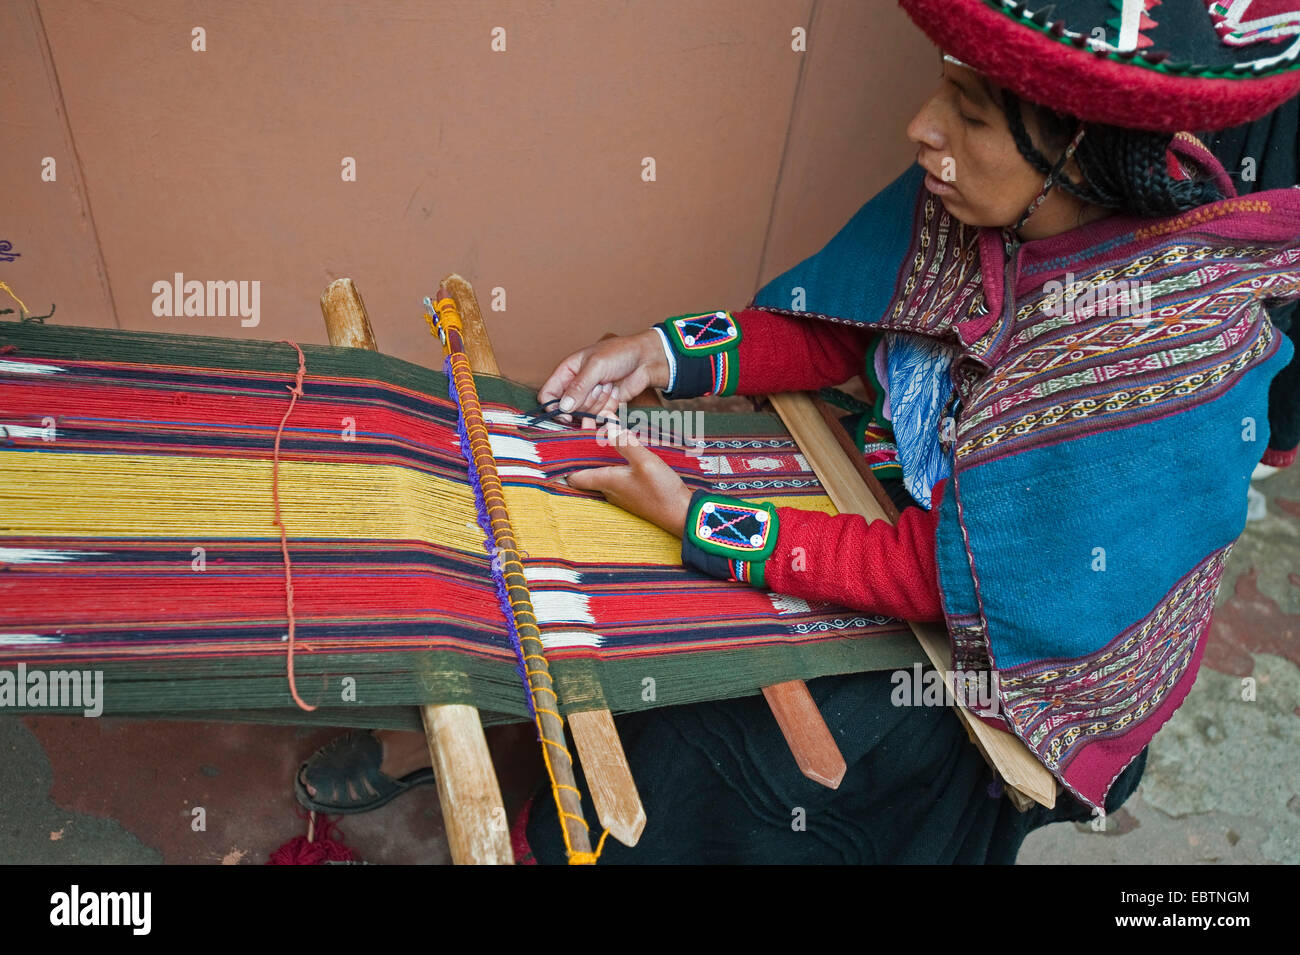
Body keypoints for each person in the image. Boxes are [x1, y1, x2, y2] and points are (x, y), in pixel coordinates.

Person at [299, 0, 1300, 863]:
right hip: (922, 514)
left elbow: (941, 576)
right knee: (642, 597)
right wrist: (661, 354)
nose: (921, 128)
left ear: (1079, 147)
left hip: (1009, 655)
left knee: (733, 748)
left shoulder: (1156, 353)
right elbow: (842, 329)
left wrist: (699, 520)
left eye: (970, 114)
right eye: (939, 90)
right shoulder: (993, 203)